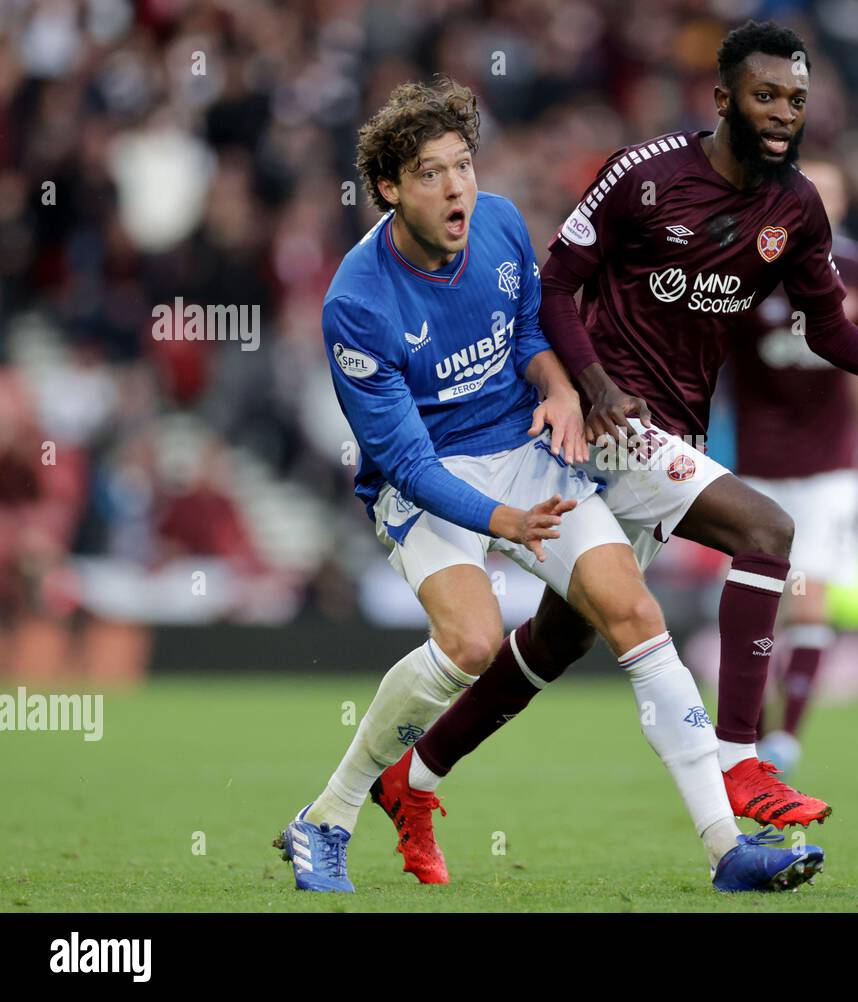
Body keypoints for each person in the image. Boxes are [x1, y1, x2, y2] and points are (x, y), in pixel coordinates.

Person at [385, 20, 858, 881]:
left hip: (673, 433)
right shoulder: (645, 174)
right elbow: (555, 283)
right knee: (765, 531)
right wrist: (590, 384)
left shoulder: (796, 208)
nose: (783, 115)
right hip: (604, 430)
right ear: (723, 98)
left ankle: (417, 774)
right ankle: (742, 761)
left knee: (559, 641)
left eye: (797, 101)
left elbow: (828, 329)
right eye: (766, 96)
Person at [274, 76, 823, 894]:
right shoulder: (356, 302)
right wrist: (507, 521)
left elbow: (531, 328)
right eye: (430, 173)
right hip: (424, 477)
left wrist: (561, 389)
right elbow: (412, 464)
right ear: (388, 189)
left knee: (636, 614)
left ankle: (726, 849)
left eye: (462, 164)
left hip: (522, 451)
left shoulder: (496, 221)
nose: (457, 185)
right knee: (470, 641)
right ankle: (327, 816)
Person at [733, 158, 858, 775]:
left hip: (829, 464)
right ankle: (762, 730)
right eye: (810, 191)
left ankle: (786, 740)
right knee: (758, 604)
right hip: (756, 464)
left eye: (831, 193)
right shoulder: (748, 263)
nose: (819, 204)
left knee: (811, 596)